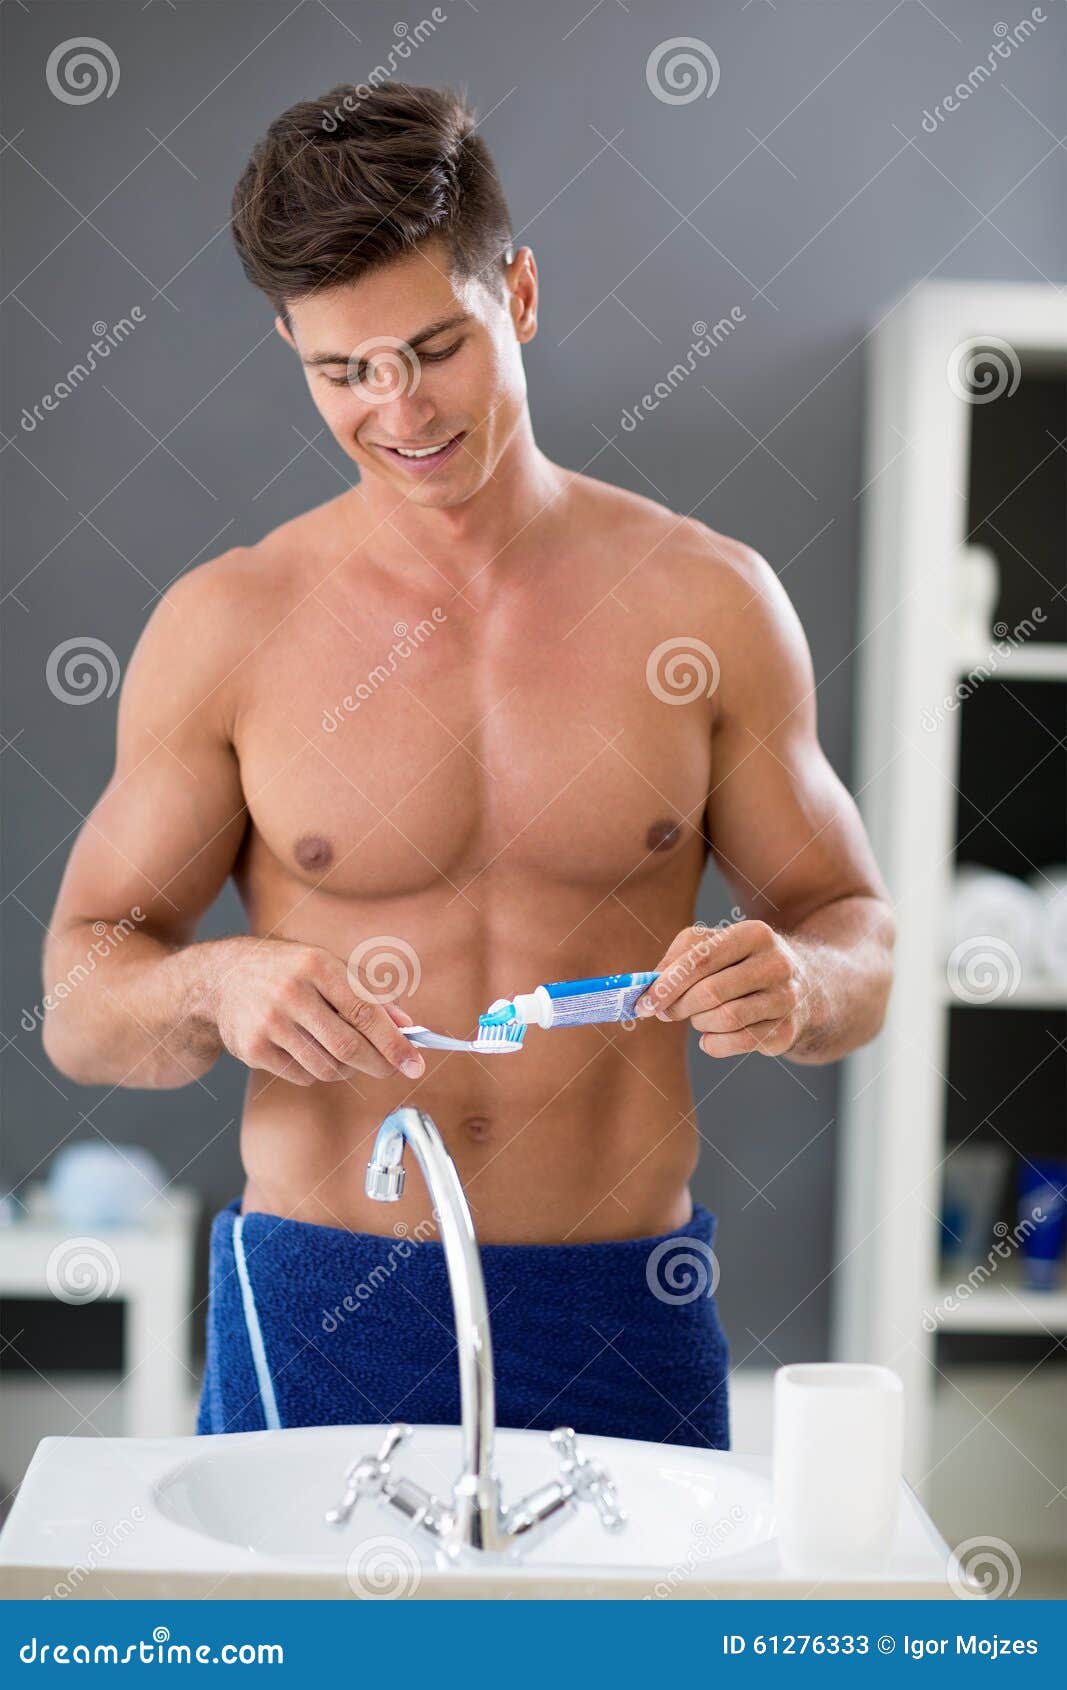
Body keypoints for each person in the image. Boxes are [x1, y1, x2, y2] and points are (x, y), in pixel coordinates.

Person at [42, 83, 894, 1447]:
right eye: (343, 371)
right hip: (323, 1300)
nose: (399, 407)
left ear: (525, 294)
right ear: (290, 347)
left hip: (625, 1297)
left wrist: (802, 982)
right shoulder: (228, 627)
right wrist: (212, 981)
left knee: (627, 1672)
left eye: (437, 346)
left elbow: (860, 934)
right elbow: (80, 1001)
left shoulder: (711, 605)